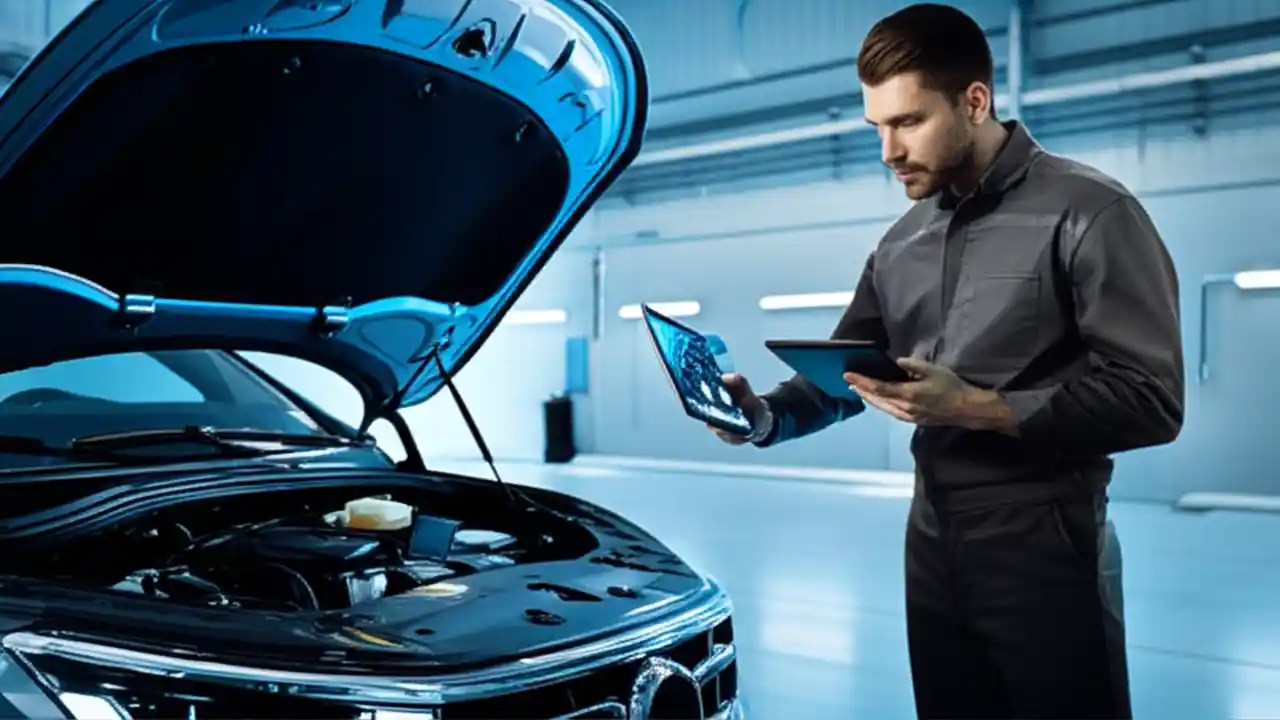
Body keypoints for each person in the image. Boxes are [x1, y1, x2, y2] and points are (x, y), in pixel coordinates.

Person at [709, 3, 1184, 719]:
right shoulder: (900, 243)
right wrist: (764, 416)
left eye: (908, 123)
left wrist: (976, 407)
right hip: (931, 541)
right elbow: (845, 375)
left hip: (1047, 541)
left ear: (975, 101)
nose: (888, 152)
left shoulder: (1090, 212)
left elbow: (1151, 397)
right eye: (877, 128)